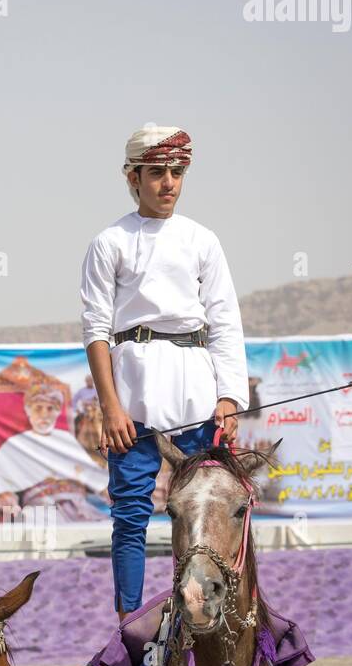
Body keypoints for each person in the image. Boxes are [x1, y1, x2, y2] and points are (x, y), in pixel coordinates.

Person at [81, 126, 249, 616]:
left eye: (177, 172)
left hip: (198, 396)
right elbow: (95, 330)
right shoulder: (109, 241)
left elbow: (224, 320)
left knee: (208, 511)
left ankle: (207, 610)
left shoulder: (202, 239)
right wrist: (110, 407)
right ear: (133, 177)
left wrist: (229, 397)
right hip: (132, 401)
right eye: (157, 173)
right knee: (131, 517)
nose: (168, 183)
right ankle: (129, 624)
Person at [0, 379, 110, 523]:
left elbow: (91, 473)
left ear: (57, 412)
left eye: (50, 408)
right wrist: (3, 492)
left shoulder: (65, 439)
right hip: (41, 510)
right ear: (29, 411)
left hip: (79, 507)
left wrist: (106, 489)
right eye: (38, 408)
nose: (44, 415)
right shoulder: (17, 443)